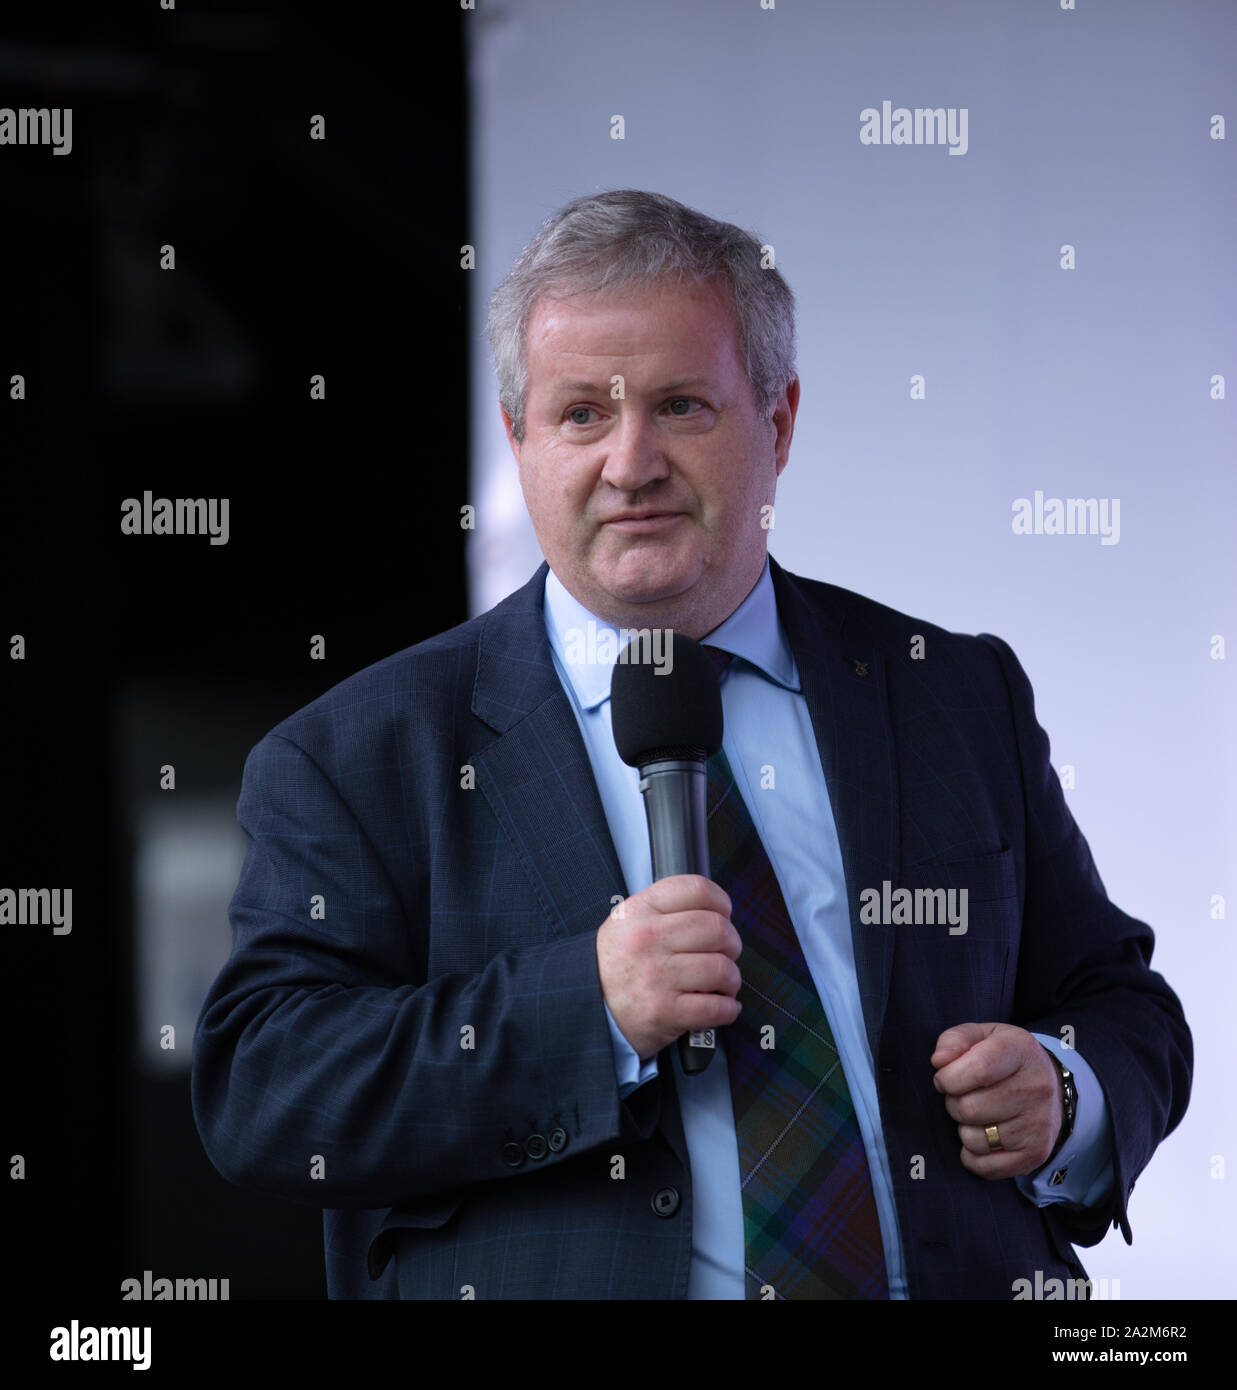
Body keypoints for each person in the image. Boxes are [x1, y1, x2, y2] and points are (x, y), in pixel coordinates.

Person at [191, 189, 1191, 1299]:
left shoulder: (952, 692)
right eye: (581, 414)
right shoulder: (357, 754)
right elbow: (265, 1088)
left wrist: (1064, 1090)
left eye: (679, 405)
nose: (631, 464)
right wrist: (588, 1011)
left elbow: (1119, 1001)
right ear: (518, 440)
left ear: (779, 421)